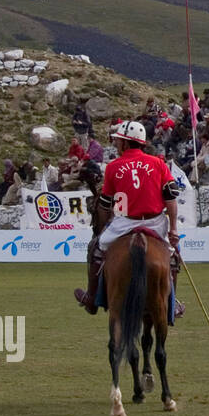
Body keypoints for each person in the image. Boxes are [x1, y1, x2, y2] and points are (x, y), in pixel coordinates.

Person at [73, 121, 181, 317]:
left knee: (96, 247)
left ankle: (91, 297)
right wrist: (173, 229)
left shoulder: (114, 167)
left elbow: (107, 204)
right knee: (173, 254)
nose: (116, 144)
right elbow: (171, 199)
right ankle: (172, 303)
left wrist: (106, 225)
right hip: (156, 222)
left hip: (125, 222)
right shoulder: (158, 163)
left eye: (119, 141)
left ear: (125, 143)